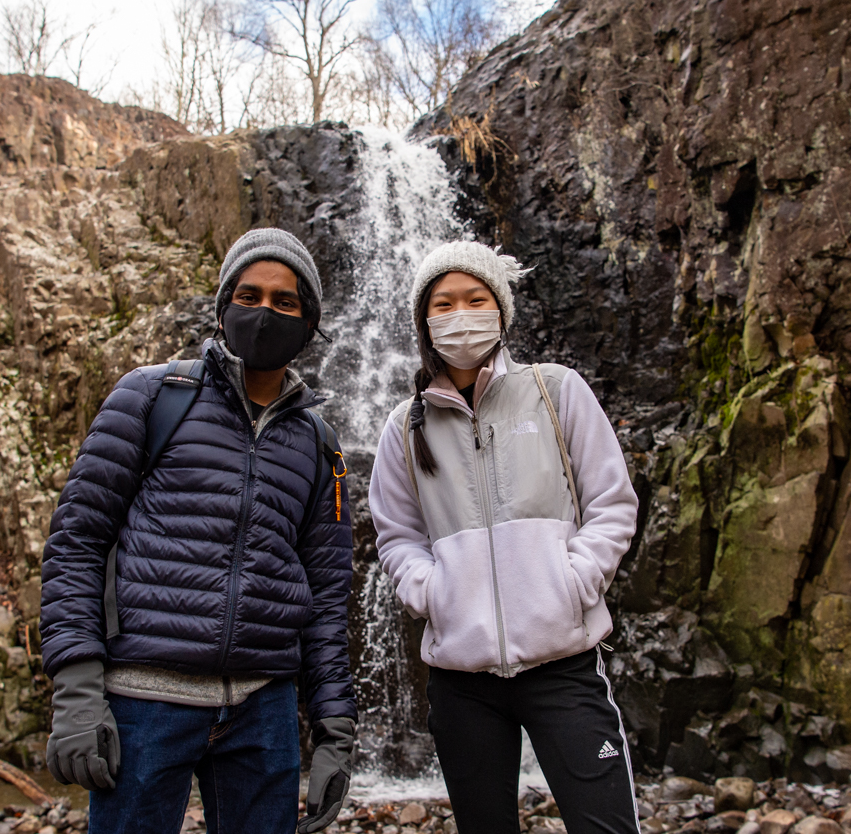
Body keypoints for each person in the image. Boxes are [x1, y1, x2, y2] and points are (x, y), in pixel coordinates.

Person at [40, 228, 357, 834]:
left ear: (309, 323)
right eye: (249, 296)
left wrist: (334, 731)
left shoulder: (320, 445)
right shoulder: (151, 395)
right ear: (222, 307)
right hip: (143, 701)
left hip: (264, 712)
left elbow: (325, 600)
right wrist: (76, 688)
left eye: (285, 302)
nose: (264, 312)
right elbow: (77, 543)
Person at [368, 241, 640, 834]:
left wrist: (575, 582)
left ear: (501, 309)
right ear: (424, 320)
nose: (460, 315)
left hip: (563, 664)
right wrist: (432, 593)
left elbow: (612, 503)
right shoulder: (403, 427)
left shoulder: (557, 391)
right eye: (443, 304)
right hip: (462, 682)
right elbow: (396, 536)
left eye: (476, 299)